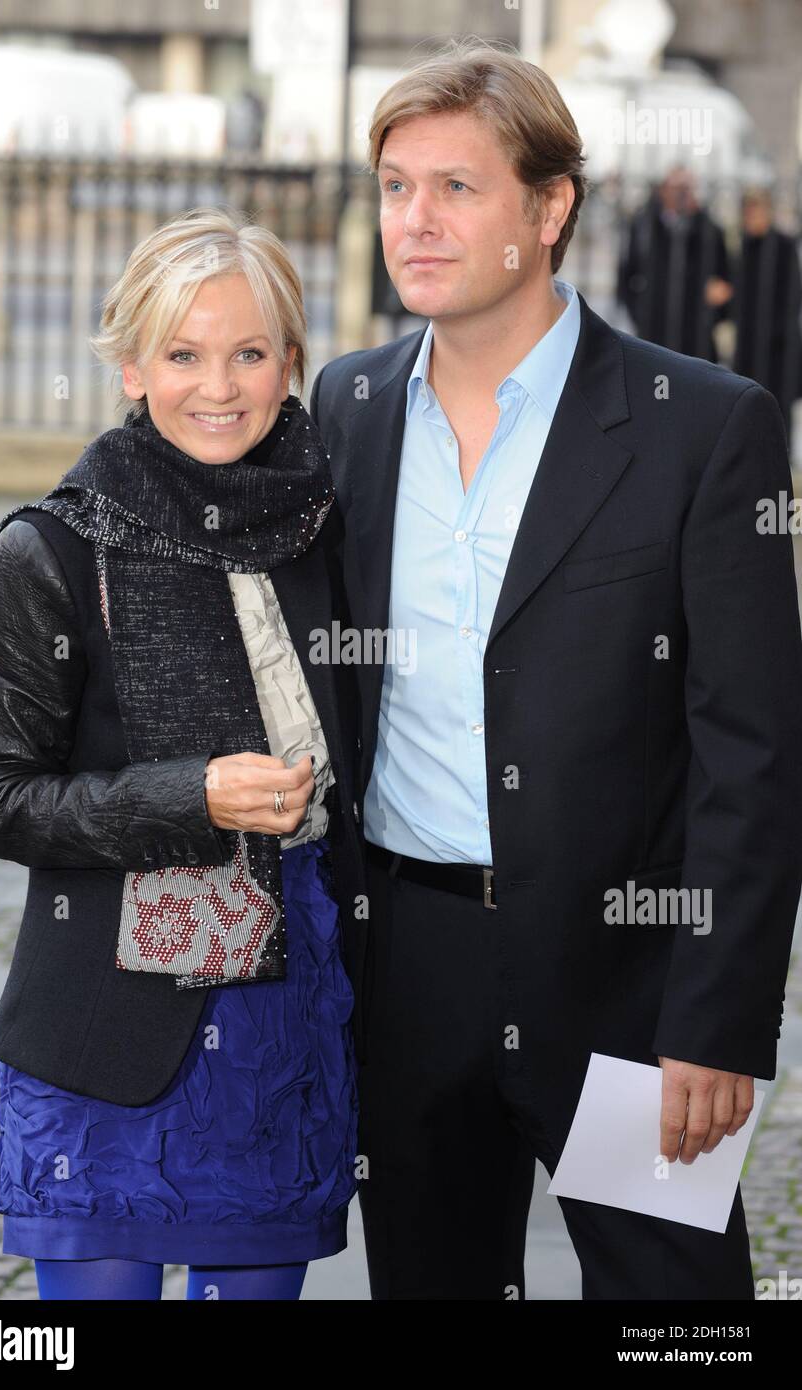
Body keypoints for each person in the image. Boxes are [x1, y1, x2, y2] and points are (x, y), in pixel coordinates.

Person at [310, 39, 802, 1300]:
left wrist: (719, 1022)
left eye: (457, 189)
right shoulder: (348, 408)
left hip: (631, 990)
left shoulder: (702, 426)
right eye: (396, 185)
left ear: (549, 207)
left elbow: (754, 756)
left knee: (680, 1320)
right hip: (408, 974)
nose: (413, 222)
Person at [0, 206, 365, 1301]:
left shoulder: (328, 535)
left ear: (291, 363)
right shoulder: (52, 546)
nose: (216, 385)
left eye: (248, 352)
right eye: (182, 353)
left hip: (281, 1022)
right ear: (132, 365)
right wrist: (197, 795)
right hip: (103, 1035)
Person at [618, 165, 733, 363]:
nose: (681, 194)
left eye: (686, 188)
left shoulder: (710, 231)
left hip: (696, 335)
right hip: (653, 332)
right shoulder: (644, 227)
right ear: (664, 190)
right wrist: (640, 314)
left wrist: (711, 315)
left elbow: (726, 282)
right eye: (676, 187)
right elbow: (626, 275)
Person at [731, 187, 802, 440]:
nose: (751, 217)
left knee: (779, 399)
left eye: (756, 210)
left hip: (779, 342)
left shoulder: (783, 245)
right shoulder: (746, 246)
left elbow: (793, 294)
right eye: (748, 212)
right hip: (750, 340)